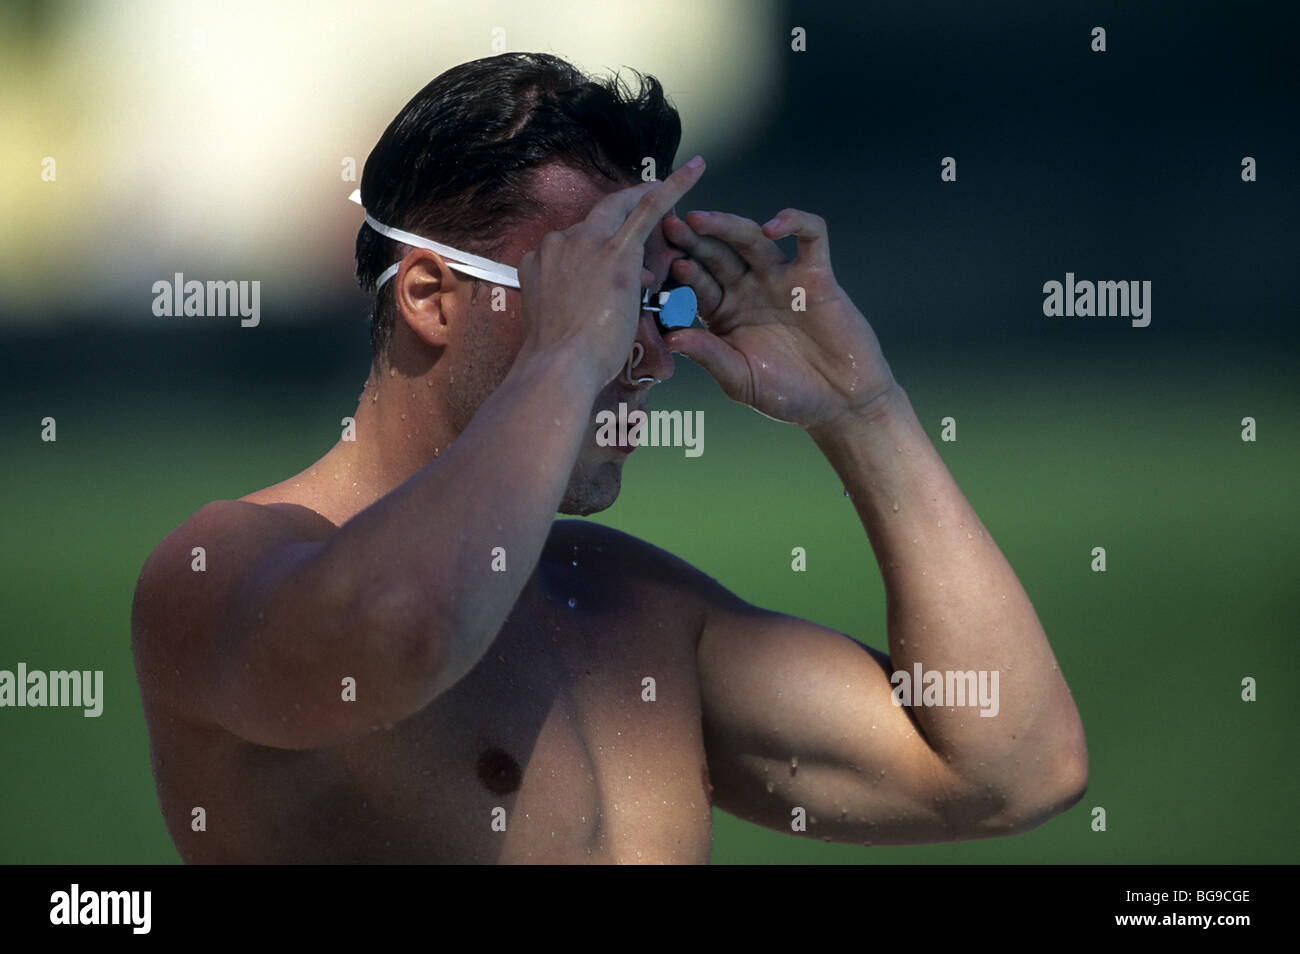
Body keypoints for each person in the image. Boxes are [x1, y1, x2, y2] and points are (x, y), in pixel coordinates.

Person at [131, 52, 1086, 863]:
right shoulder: (221, 568)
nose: (651, 355)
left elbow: (1009, 768)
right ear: (429, 297)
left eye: (662, 302)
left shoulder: (631, 612)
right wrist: (564, 354)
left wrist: (865, 410)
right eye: (598, 292)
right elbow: (405, 634)